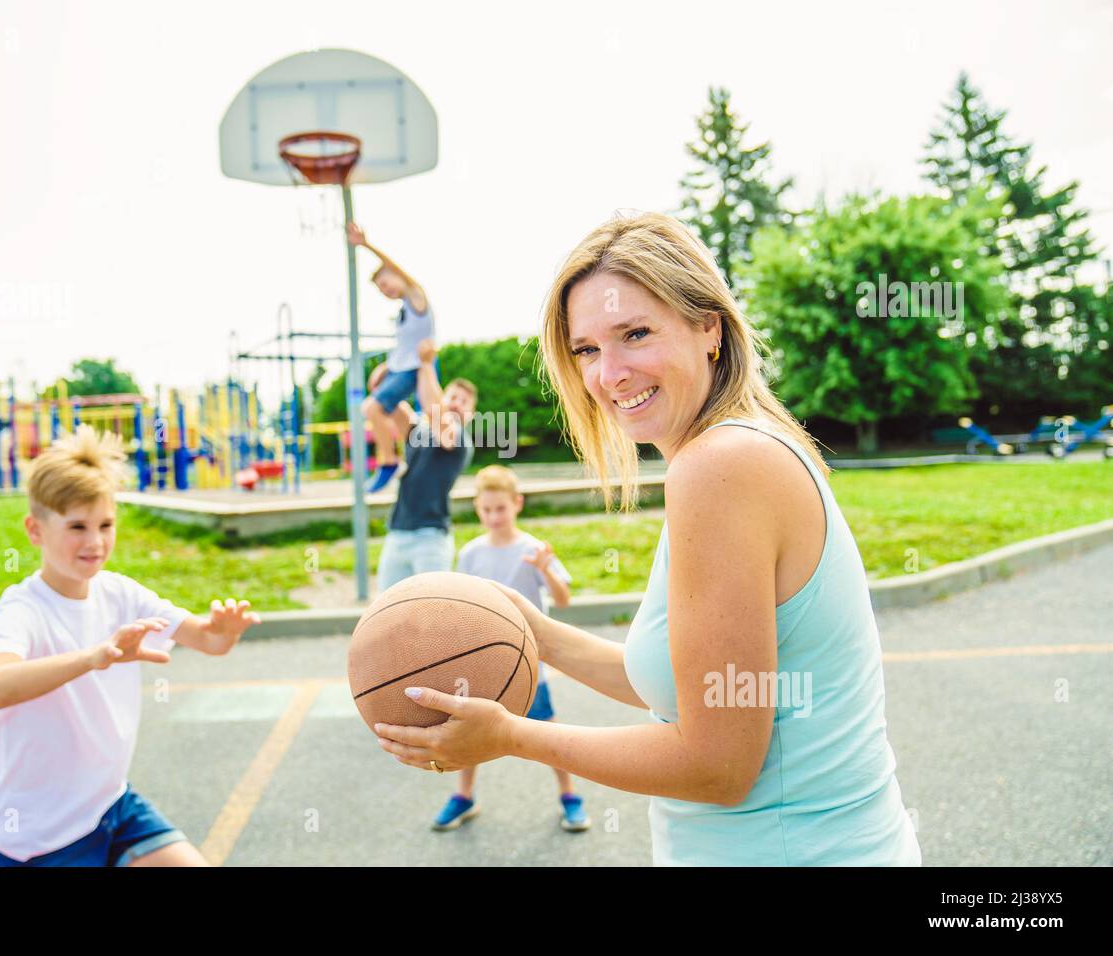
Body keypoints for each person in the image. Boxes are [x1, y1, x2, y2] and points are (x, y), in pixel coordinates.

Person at [372, 212, 923, 866]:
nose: (610, 374)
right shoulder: (738, 449)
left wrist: (512, 737)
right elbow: (704, 690)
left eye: (635, 333)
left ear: (708, 327)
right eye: (586, 350)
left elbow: (719, 764)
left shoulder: (720, 467)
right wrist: (537, 632)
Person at [0, 425, 260, 867]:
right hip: (37, 831)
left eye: (105, 525)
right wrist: (93, 657)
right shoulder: (22, 608)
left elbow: (205, 639)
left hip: (110, 803)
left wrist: (224, 630)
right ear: (35, 530)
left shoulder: (121, 594)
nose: (95, 541)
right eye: (77, 527)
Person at [432, 465, 591, 833]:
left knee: (548, 732)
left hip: (527, 661)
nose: (493, 517)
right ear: (477, 509)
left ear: (517, 504)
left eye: (500, 509)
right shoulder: (471, 554)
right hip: (481, 662)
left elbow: (563, 599)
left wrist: (546, 570)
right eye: (486, 510)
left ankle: (569, 795)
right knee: (469, 728)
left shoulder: (533, 549)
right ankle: (464, 796)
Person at [376, 339, 477, 591]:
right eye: (453, 396)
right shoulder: (418, 429)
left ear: (471, 415)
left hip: (431, 538)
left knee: (433, 617)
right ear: (444, 396)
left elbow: (436, 413)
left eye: (464, 402)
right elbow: (388, 403)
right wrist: (393, 372)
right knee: (385, 613)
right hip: (397, 532)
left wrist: (426, 363)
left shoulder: (459, 439)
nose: (456, 403)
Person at [346, 220, 437, 493]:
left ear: (397, 276)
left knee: (371, 408)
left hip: (413, 369)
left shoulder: (417, 298)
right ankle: (414, 441)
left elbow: (396, 268)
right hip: (400, 366)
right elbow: (406, 344)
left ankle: (389, 461)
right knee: (384, 401)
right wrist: (385, 367)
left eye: (386, 283)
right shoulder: (402, 312)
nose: (386, 290)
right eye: (381, 290)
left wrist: (366, 245)